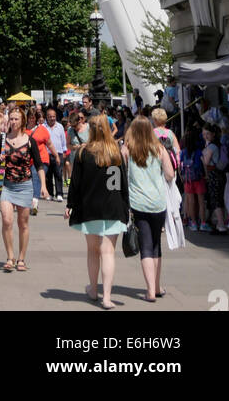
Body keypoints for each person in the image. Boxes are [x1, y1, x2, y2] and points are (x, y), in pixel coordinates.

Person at [65, 115, 129, 309]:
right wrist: (126, 206)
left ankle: (93, 289)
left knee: (93, 251)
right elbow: (122, 183)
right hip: (113, 206)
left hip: (89, 207)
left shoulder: (84, 152)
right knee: (108, 252)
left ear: (91, 130)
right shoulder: (115, 152)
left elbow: (75, 182)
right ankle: (107, 297)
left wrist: (70, 204)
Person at [122, 114, 175, 302]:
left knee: (145, 246)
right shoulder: (160, 149)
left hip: (138, 203)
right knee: (156, 246)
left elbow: (120, 175)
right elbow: (170, 174)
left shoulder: (127, 150)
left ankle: (150, 290)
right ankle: (158, 286)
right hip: (158, 202)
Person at [0, 105, 48, 272]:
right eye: (11, 118)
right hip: (7, 185)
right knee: (7, 220)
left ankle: (21, 258)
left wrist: (43, 186)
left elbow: (38, 165)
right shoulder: (3, 138)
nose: (14, 121)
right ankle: (10, 257)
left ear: (22, 121)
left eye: (16, 119)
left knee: (23, 223)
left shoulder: (29, 141)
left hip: (25, 186)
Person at [179, 124, 208, 231]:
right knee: (201, 202)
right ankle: (203, 223)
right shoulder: (199, 151)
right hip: (199, 178)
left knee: (191, 201)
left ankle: (194, 223)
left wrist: (182, 176)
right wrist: (206, 175)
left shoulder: (183, 152)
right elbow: (204, 163)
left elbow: (179, 165)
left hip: (188, 180)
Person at [201, 124, 228, 234]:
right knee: (219, 199)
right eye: (204, 134)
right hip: (219, 175)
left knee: (215, 200)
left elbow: (206, 162)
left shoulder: (211, 147)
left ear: (213, 134)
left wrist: (202, 157)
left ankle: (221, 225)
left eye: (207, 134)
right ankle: (220, 224)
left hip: (214, 175)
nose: (205, 136)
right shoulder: (217, 145)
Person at [45, 107, 68, 201]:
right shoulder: (43, 127)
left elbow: (63, 140)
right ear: (47, 117)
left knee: (58, 174)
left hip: (58, 154)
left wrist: (64, 151)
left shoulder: (60, 126)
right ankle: (50, 193)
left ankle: (59, 193)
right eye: (50, 116)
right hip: (47, 154)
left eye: (53, 116)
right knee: (48, 175)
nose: (52, 118)